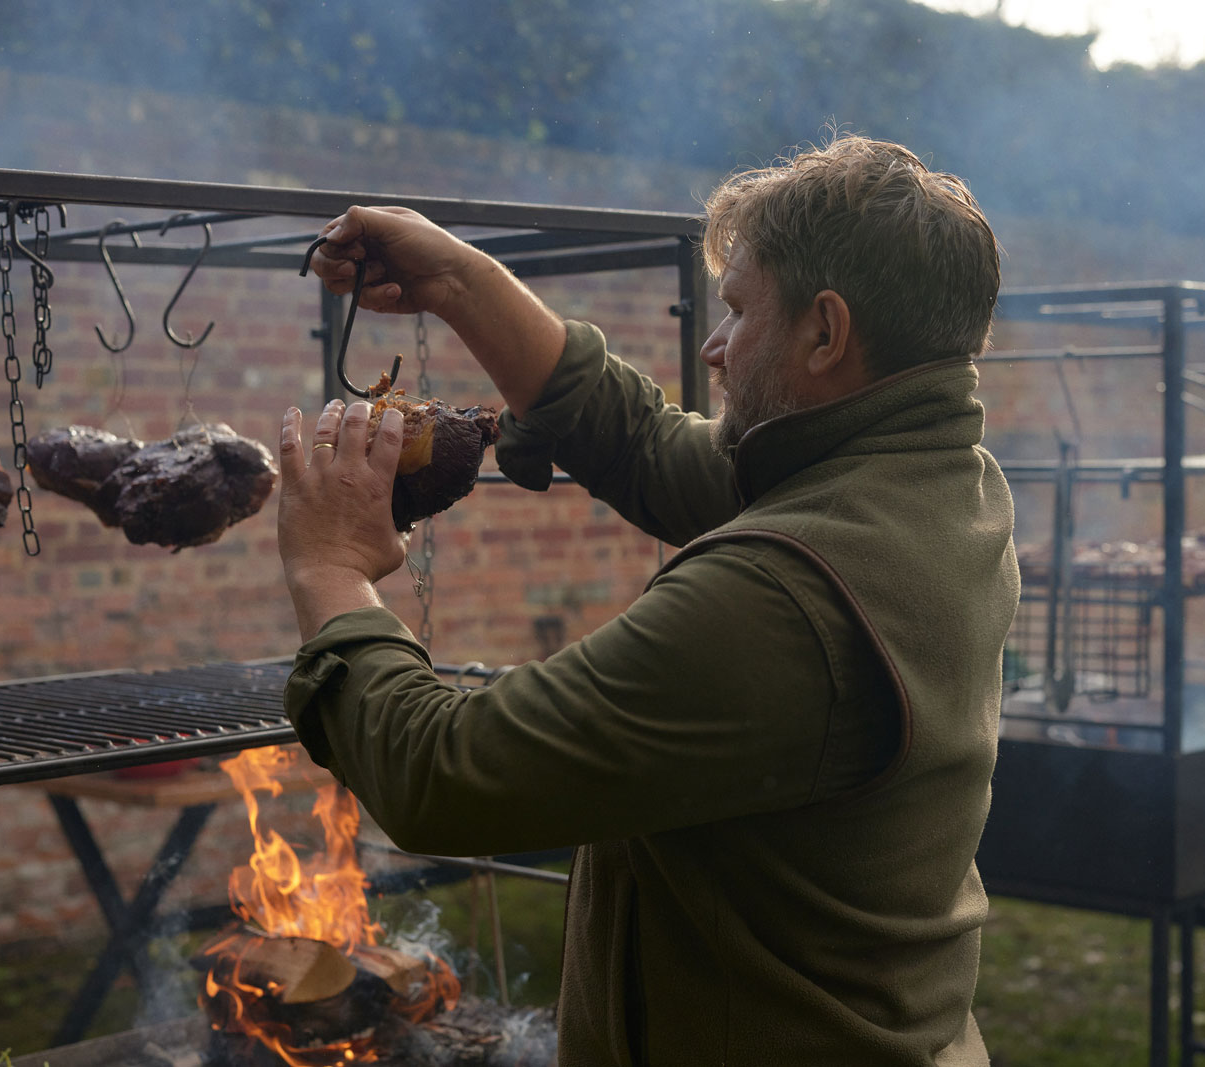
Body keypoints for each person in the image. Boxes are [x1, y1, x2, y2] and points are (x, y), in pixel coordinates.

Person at [279, 134, 1019, 1066]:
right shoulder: (932, 478)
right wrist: (459, 280)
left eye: (740, 311)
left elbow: (447, 774)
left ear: (825, 333)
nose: (712, 348)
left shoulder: (787, 596)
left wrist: (330, 571)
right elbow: (647, 444)